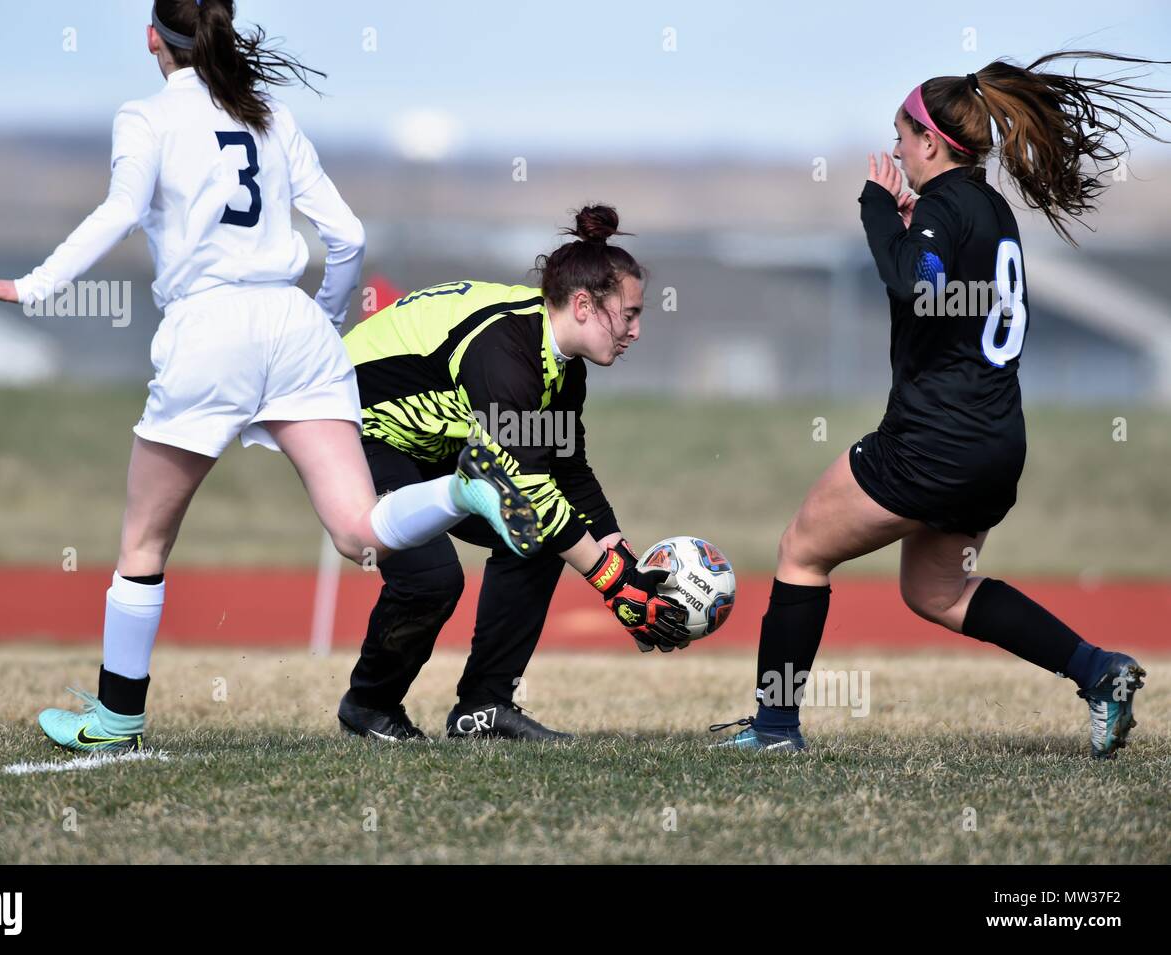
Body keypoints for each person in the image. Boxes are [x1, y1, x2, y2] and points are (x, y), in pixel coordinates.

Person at [0, 0, 539, 753]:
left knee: (143, 544)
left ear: (152, 39)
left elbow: (118, 211)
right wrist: (322, 323)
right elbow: (348, 236)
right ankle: (463, 489)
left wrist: (29, 286)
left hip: (211, 327)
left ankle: (117, 718)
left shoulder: (146, 115)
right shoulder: (270, 116)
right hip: (293, 325)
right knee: (360, 531)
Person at [711, 52, 1169, 757]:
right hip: (995, 443)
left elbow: (912, 286)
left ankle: (774, 730)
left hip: (933, 443)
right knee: (936, 591)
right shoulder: (988, 208)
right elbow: (936, 276)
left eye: (901, 137)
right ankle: (1097, 670)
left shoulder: (943, 207)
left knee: (800, 551)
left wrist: (875, 208)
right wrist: (909, 226)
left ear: (930, 143)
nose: (895, 150)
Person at [337, 205, 691, 741]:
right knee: (432, 579)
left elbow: (569, 475)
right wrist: (612, 584)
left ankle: (482, 706)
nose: (637, 332)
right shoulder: (506, 352)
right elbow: (525, 485)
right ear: (583, 305)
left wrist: (629, 569)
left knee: (539, 538)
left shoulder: (562, 366)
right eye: (632, 314)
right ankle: (368, 704)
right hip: (362, 431)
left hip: (437, 443)